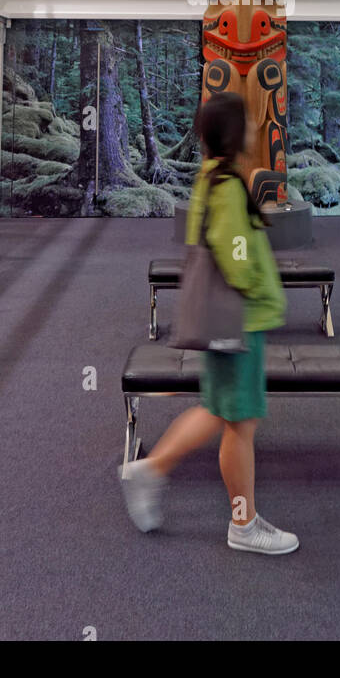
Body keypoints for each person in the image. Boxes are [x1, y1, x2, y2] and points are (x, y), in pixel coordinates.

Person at [119, 92, 298, 555]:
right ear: (234, 132)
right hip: (238, 319)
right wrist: (259, 289)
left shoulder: (210, 178)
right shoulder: (228, 186)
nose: (256, 130)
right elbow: (234, 252)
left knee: (222, 411)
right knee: (239, 421)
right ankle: (243, 523)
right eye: (250, 124)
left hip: (227, 321)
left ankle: (151, 470)